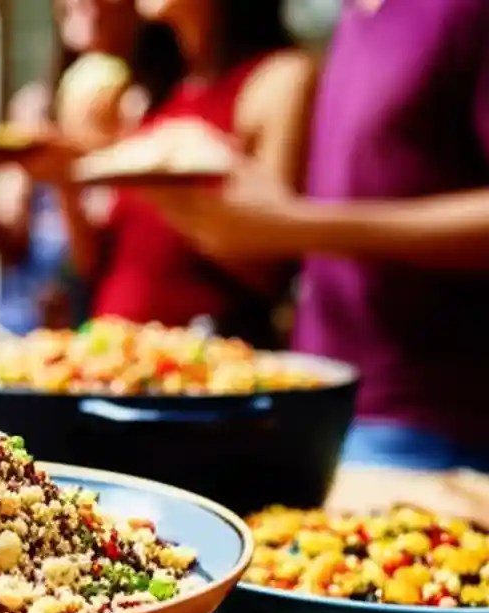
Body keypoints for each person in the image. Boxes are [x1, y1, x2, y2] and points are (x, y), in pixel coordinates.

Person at [136, 0, 489, 471]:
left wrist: (293, 224)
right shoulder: (355, 16)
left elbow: (299, 223)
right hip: (318, 403)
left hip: (426, 420)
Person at [28, 0, 316, 347]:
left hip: (207, 372)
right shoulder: (151, 92)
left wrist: (171, 188)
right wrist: (65, 177)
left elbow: (269, 270)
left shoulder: (279, 78)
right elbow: (92, 261)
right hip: (109, 358)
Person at [0, 0, 178, 333]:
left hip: (102, 331)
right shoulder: (35, 108)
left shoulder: (155, 116)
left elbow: (94, 261)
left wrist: (67, 178)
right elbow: (11, 243)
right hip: (18, 328)